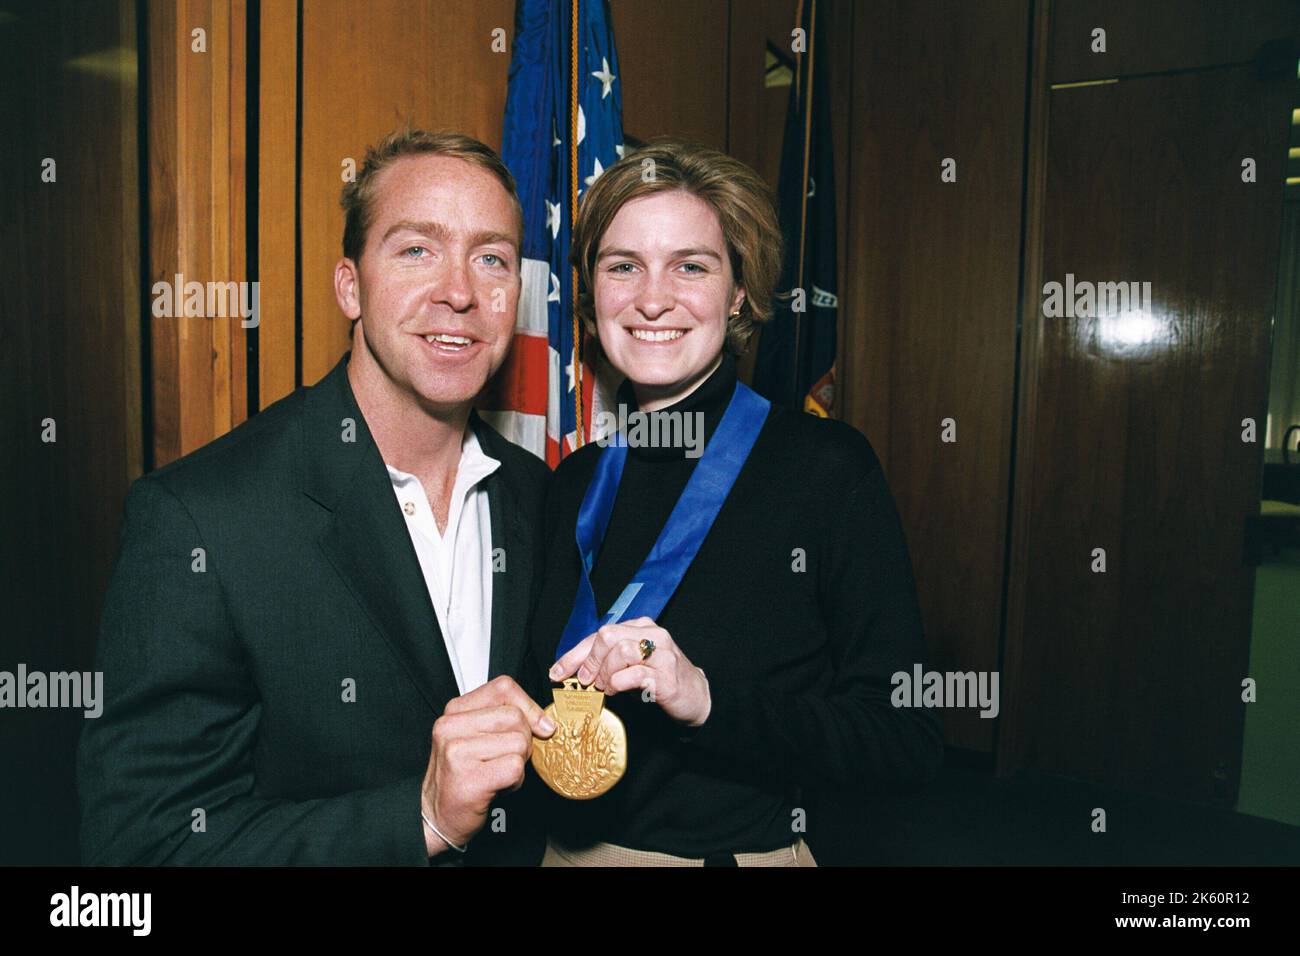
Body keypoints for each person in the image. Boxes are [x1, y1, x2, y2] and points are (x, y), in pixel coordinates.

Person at [77, 128, 555, 865]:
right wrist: (419, 818)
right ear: (350, 285)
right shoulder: (202, 519)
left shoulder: (535, 496)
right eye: (417, 250)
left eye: (491, 257)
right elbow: (144, 850)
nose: (460, 291)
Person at [529, 140, 944, 866]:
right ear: (592, 297)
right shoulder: (570, 483)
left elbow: (906, 739)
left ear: (739, 293)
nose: (653, 298)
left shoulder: (824, 470)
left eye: (691, 266)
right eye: (622, 265)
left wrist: (709, 701)